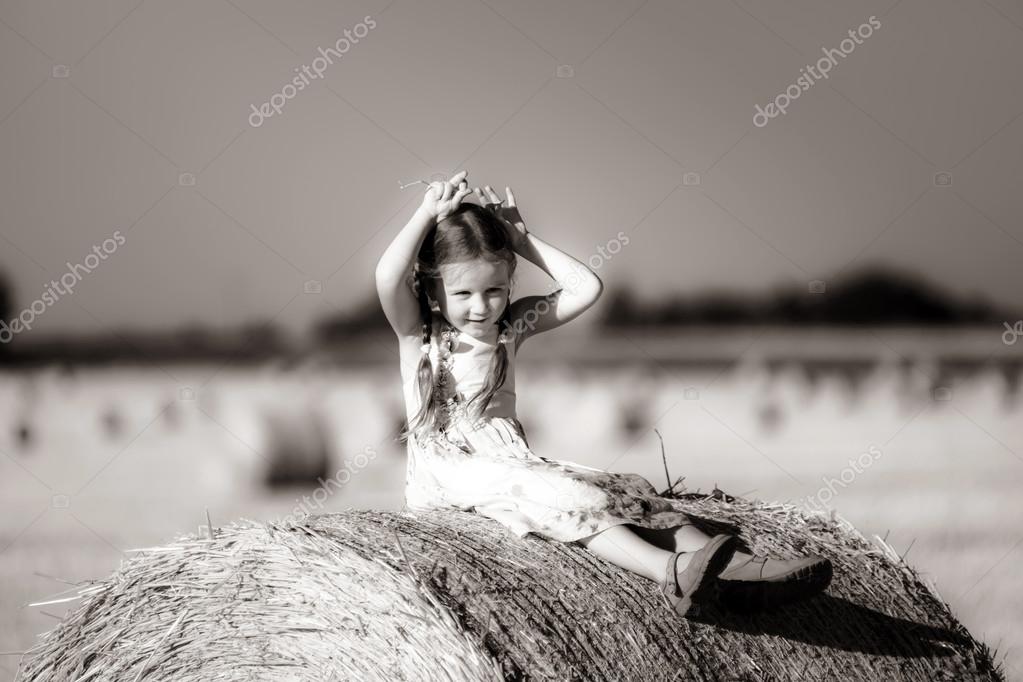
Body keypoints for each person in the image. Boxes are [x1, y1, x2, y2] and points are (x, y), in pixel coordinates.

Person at [375, 170, 831, 617]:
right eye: (464, 293)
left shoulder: (512, 326)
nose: (482, 305)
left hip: (509, 460)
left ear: (510, 282)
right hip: (448, 473)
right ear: (434, 288)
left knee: (624, 489)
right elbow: (387, 277)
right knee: (568, 496)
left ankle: (738, 567)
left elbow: (586, 288)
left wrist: (522, 240)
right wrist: (424, 214)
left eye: (495, 289)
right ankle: (670, 571)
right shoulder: (419, 333)